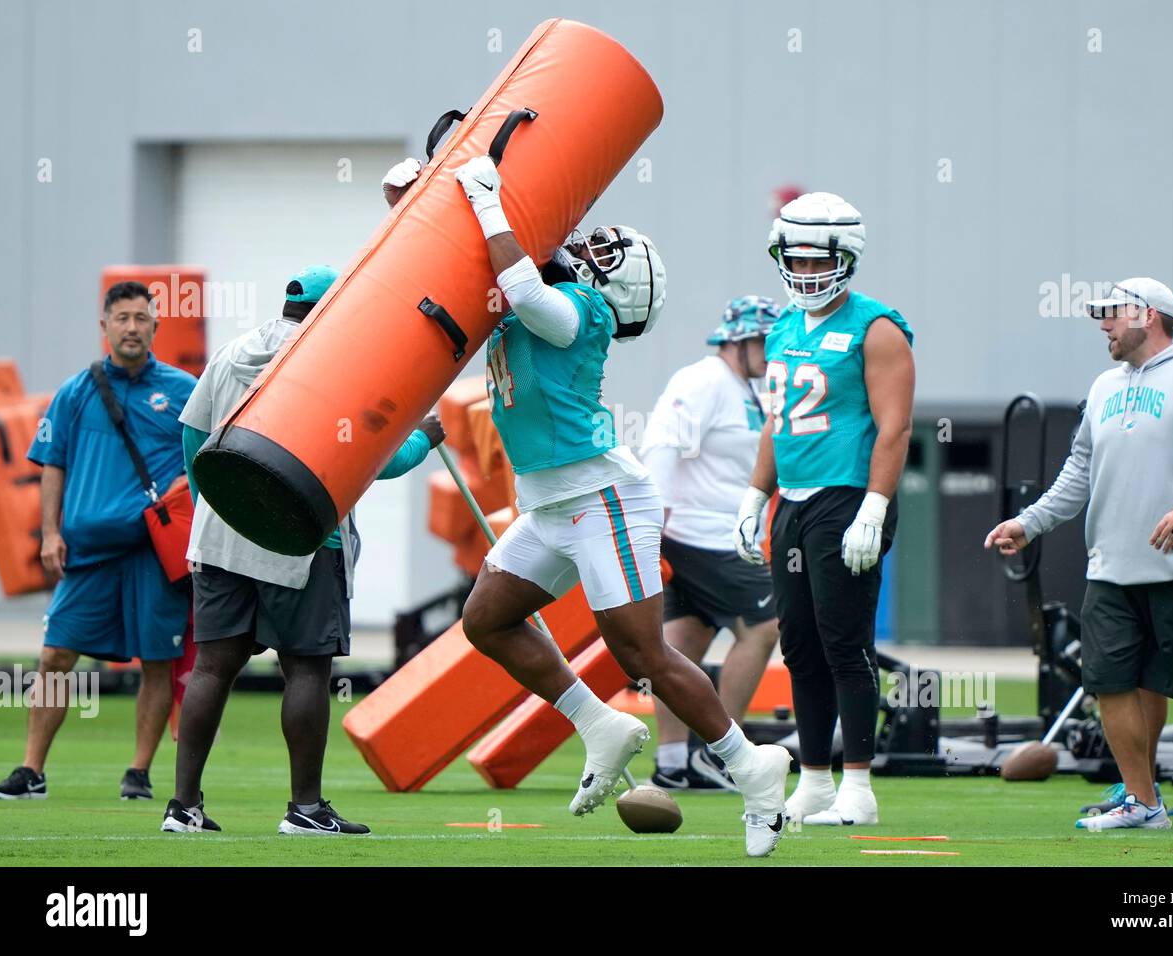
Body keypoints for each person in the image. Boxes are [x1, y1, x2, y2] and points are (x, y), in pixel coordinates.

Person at [383, 152, 791, 857]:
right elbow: (460, 272)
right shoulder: (537, 291)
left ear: (620, 283)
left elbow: (526, 291)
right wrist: (416, 196)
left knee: (643, 654)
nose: (589, 245)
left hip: (604, 499)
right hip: (548, 506)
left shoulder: (585, 310)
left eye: (607, 251)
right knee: (485, 619)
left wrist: (485, 203)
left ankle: (754, 770)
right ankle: (598, 724)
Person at [162, 266, 442, 834]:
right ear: (333, 306)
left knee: (212, 668)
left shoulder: (234, 351)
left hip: (220, 535)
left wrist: (212, 511)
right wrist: (425, 438)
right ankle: (305, 809)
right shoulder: (339, 364)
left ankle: (183, 807)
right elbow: (378, 463)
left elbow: (193, 438)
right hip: (306, 538)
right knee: (306, 671)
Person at [985, 277, 1173, 832]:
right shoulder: (1106, 386)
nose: (1104, 325)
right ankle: (1142, 801)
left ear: (1147, 316)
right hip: (1111, 567)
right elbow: (1078, 473)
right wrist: (1028, 523)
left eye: (1112, 314)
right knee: (1109, 682)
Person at [734, 192, 915, 826]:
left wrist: (874, 507)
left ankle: (859, 786)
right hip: (796, 501)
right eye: (796, 260)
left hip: (849, 498)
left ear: (847, 257)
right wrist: (757, 494)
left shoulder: (878, 327)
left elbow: (894, 429)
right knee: (800, 648)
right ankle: (813, 780)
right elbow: (776, 424)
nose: (807, 273)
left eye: (819, 261)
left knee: (845, 643)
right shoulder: (783, 328)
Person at [0, 281, 195, 802]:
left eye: (141, 318)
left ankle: (139, 771)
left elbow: (205, 462)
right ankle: (32, 770)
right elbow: (51, 465)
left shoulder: (183, 391)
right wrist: (49, 534)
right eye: (122, 318)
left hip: (154, 553)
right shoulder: (74, 391)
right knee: (55, 656)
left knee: (157, 661)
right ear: (103, 326)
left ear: (156, 326)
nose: (132, 327)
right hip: (87, 553)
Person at [638, 296, 783, 791]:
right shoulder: (702, 380)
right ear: (738, 340)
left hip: (715, 533)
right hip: (703, 535)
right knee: (764, 628)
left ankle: (674, 762)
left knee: (680, 646)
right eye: (764, 341)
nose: (772, 352)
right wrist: (652, 522)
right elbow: (661, 443)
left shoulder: (746, 384)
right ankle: (725, 752)